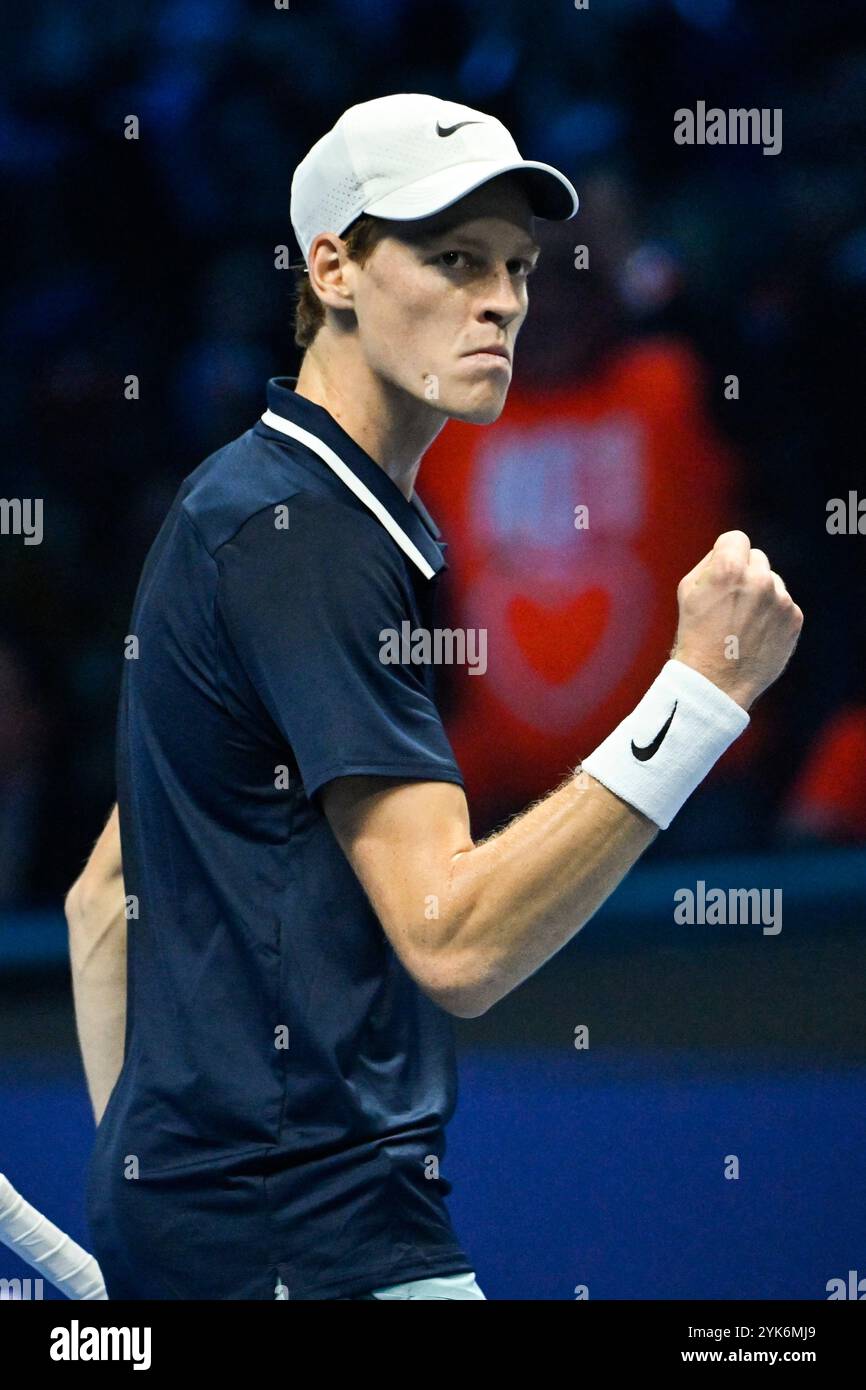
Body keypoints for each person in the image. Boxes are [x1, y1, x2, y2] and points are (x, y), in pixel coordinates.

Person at [64, 94, 803, 1301]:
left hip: (230, 1240)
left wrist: (143, 1208)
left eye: (513, 264)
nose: (503, 298)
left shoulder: (248, 505)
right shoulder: (308, 539)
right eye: (453, 259)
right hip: (325, 1239)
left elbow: (105, 899)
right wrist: (700, 699)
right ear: (335, 268)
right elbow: (452, 940)